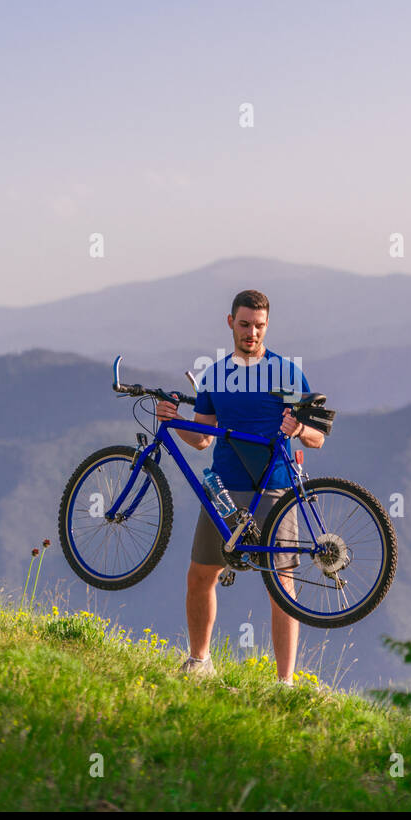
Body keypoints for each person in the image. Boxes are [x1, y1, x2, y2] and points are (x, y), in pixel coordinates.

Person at [154, 289, 324, 687]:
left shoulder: (286, 373)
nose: (252, 333)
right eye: (245, 324)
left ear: (268, 326)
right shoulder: (215, 374)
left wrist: (299, 428)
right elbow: (204, 438)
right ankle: (199, 662)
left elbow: (317, 436)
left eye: (259, 326)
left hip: (275, 488)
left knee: (281, 586)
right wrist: (174, 420)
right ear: (230, 322)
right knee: (200, 575)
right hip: (224, 488)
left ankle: (285, 683)